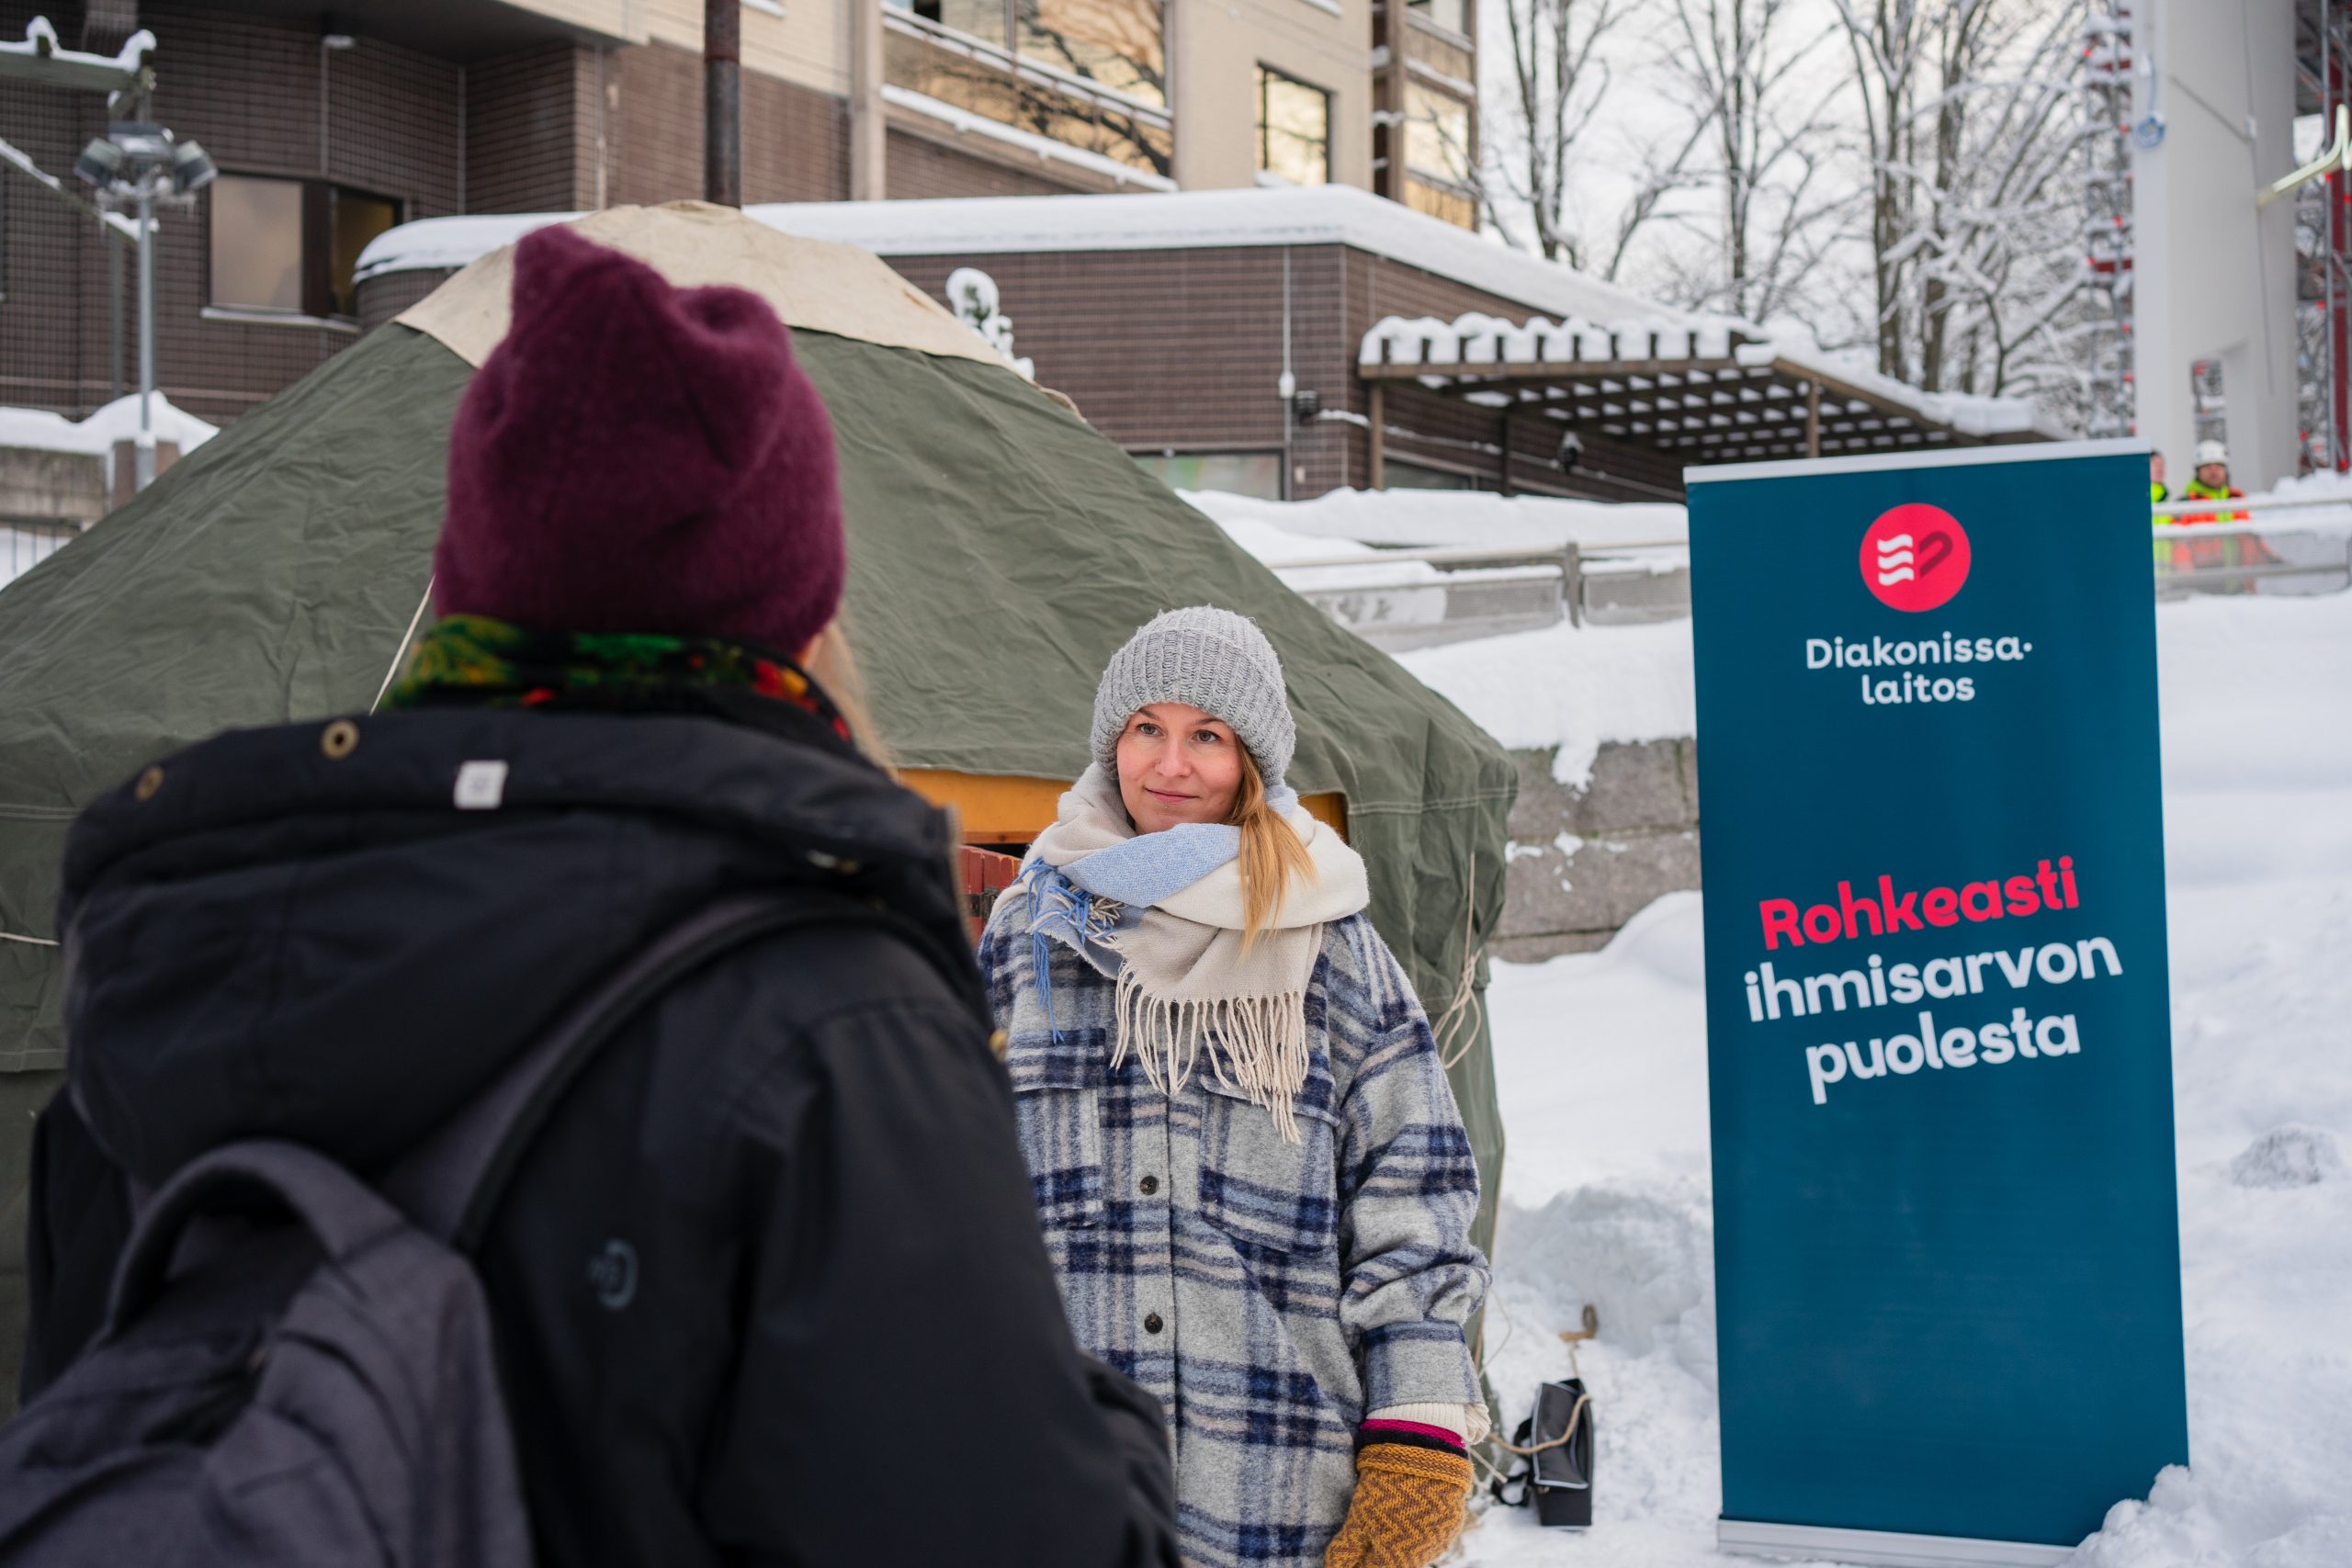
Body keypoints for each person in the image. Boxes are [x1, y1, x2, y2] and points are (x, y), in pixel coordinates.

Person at [21, 227, 1182, 1568]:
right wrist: (1109, 1425)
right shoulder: (834, 1029)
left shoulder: (180, 955)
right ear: (797, 616)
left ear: (464, 582)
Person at [978, 608, 1492, 1568]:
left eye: (1206, 736)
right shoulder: (1027, 939)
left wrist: (1419, 1449)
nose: (1170, 764)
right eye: (1146, 729)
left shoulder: (1332, 948)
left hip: (1277, 1498)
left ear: (1251, 761)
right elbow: (952, 1202)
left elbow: (1412, 1207)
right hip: (1056, 1490)